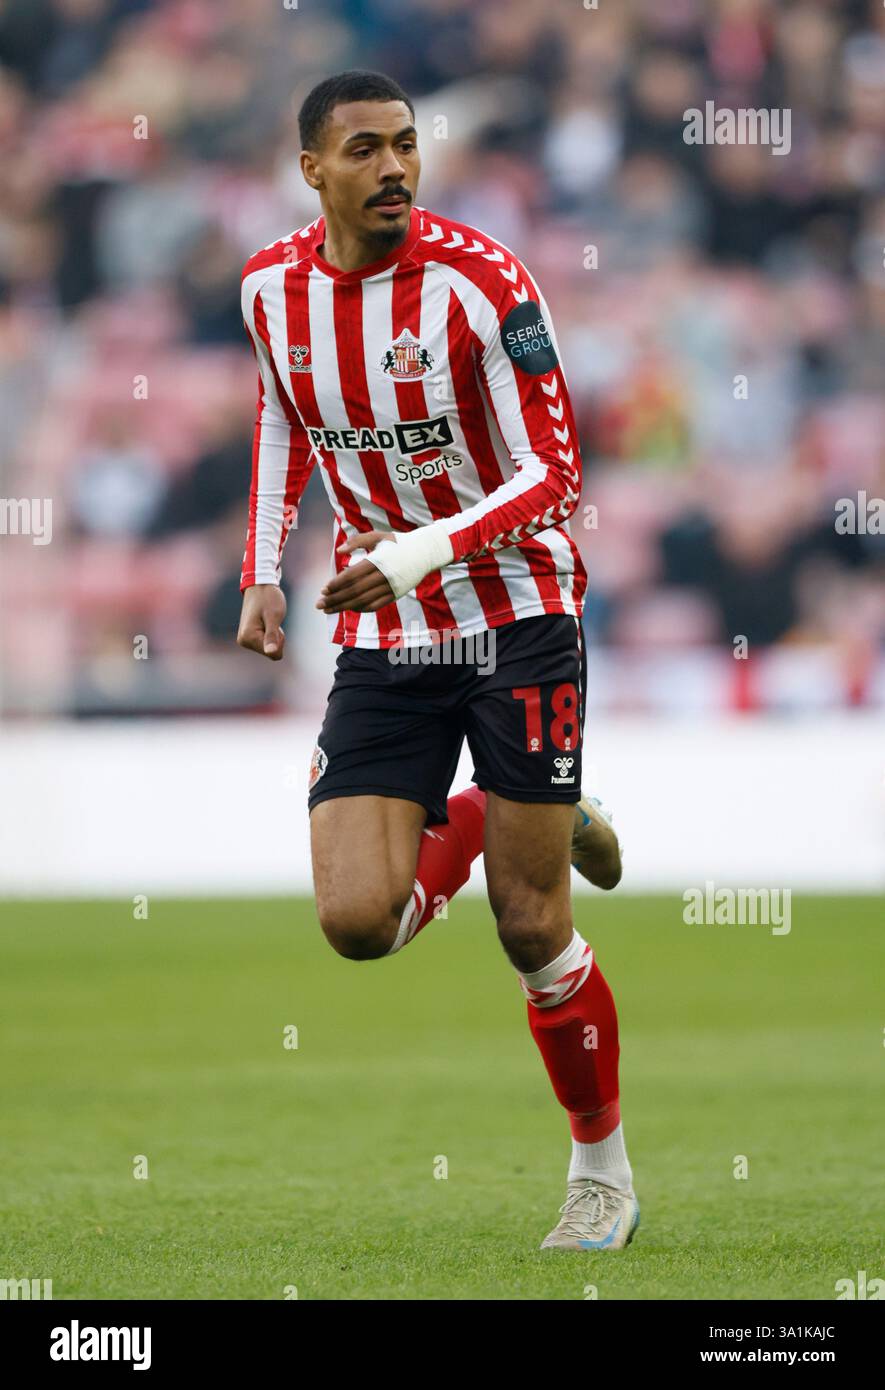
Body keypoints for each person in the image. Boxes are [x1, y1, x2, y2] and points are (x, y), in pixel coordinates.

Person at [236, 70, 638, 1250]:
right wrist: (262, 565)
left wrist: (417, 552)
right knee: (357, 919)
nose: (394, 168)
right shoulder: (271, 288)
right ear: (313, 169)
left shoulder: (482, 282)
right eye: (364, 150)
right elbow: (280, 417)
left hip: (516, 613)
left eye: (406, 146)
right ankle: (538, 810)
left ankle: (600, 1172)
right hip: (389, 634)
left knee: (528, 924)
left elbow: (556, 476)